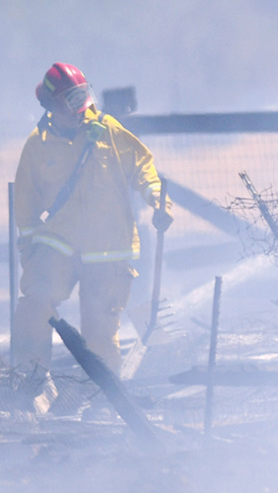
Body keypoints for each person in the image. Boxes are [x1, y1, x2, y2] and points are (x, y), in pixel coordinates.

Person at [11, 62, 172, 406]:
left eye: (83, 99)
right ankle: (28, 388)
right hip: (58, 247)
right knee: (34, 309)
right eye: (72, 104)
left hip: (108, 253)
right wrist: (30, 248)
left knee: (100, 332)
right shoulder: (37, 145)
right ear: (52, 107)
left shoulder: (108, 131)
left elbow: (144, 169)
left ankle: (98, 401)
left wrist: (158, 199)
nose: (80, 112)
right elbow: (24, 204)